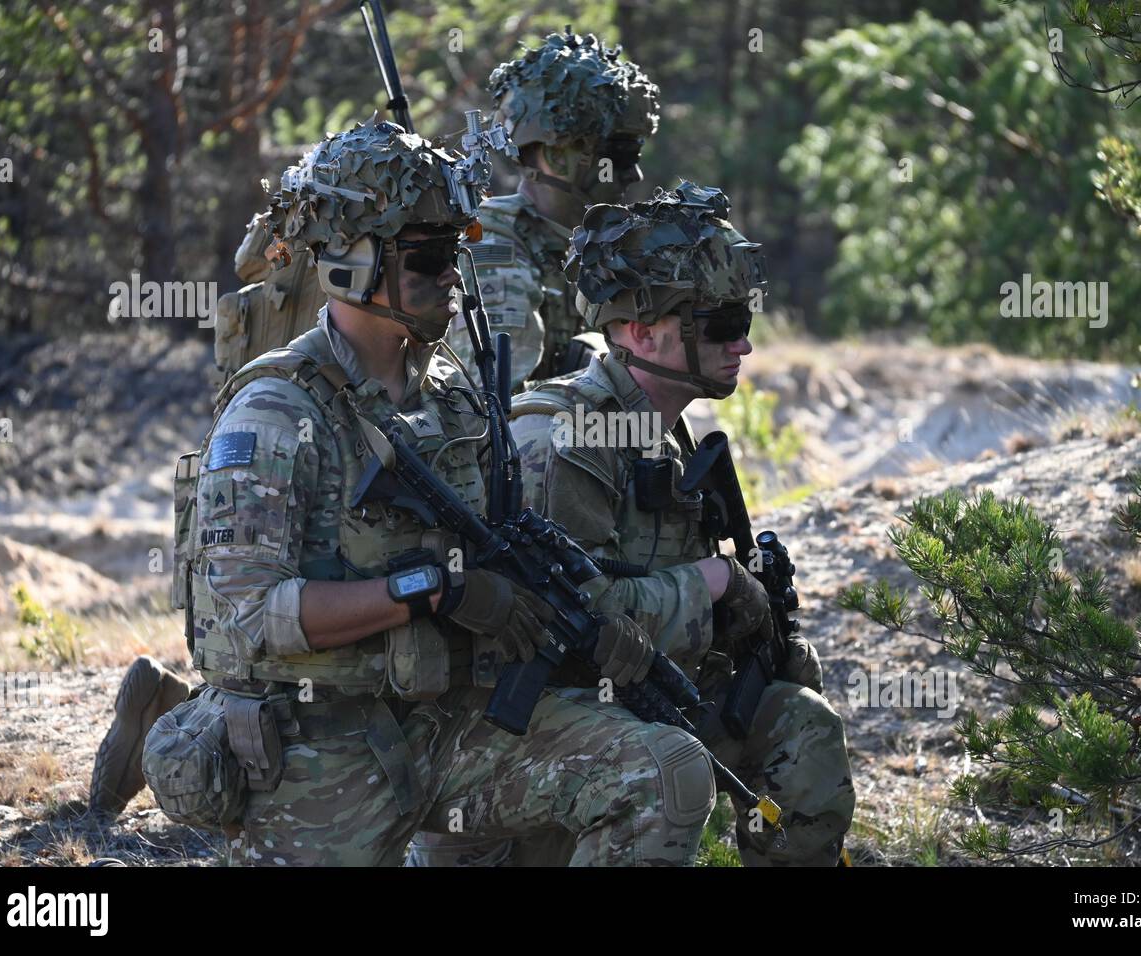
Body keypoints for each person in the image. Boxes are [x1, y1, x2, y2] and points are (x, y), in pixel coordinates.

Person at [137, 121, 716, 865]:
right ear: (352, 263)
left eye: (458, 252)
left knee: (663, 771)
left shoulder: (456, 398)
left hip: (452, 725)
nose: (453, 275)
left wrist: (581, 623)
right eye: (432, 257)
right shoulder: (277, 412)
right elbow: (254, 619)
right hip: (320, 746)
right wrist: (432, 590)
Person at [411, 183, 855, 866]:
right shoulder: (565, 438)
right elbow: (569, 627)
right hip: (522, 742)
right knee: (661, 767)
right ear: (641, 331)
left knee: (800, 724)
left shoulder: (658, 433)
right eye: (720, 324)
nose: (742, 344)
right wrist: (710, 584)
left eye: (745, 322)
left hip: (626, 704)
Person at [445, 29, 660, 383]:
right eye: (622, 155)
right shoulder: (493, 245)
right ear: (558, 158)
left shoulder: (598, 247)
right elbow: (501, 408)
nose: (634, 174)